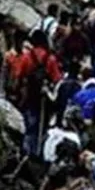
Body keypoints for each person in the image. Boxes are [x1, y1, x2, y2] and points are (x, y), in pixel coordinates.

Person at [15, 30, 63, 158]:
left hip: (29, 96)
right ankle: (40, 152)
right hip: (44, 99)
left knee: (29, 125)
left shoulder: (26, 57)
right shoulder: (50, 59)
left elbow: (18, 76)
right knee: (42, 127)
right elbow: (57, 79)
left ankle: (27, 152)